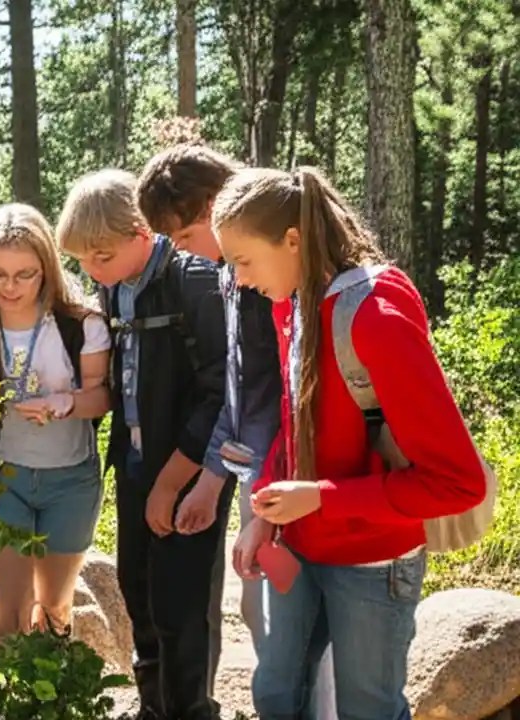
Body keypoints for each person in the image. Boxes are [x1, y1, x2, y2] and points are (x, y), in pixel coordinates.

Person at [218, 167, 488, 720]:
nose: (238, 280)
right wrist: (266, 509)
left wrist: (321, 498)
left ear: (292, 240)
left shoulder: (375, 317)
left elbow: (459, 483)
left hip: (375, 561)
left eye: (243, 261)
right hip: (300, 544)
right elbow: (295, 424)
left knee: (369, 709)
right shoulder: (290, 303)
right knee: (276, 696)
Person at [136, 144, 338, 720]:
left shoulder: (261, 277)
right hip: (261, 474)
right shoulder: (231, 273)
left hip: (295, 476)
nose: (182, 252)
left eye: (183, 236)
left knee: (299, 629)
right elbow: (236, 393)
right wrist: (213, 478)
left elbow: (266, 400)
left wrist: (218, 481)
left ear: (212, 207)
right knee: (267, 615)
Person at [56, 169, 229, 720]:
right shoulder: (113, 288)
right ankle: (153, 705)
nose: (92, 269)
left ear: (142, 232)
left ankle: (191, 709)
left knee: (184, 602)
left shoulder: (193, 279)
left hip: (188, 470)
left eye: (102, 256)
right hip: (134, 464)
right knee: (137, 587)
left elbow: (218, 392)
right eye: (82, 259)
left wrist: (173, 482)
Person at [0, 203, 111, 645]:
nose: (9, 287)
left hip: (71, 479)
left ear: (46, 269)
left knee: (53, 606)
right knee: (11, 604)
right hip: (2, 477)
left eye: (24, 275)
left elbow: (103, 397)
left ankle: (53, 684)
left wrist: (66, 403)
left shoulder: (80, 323)